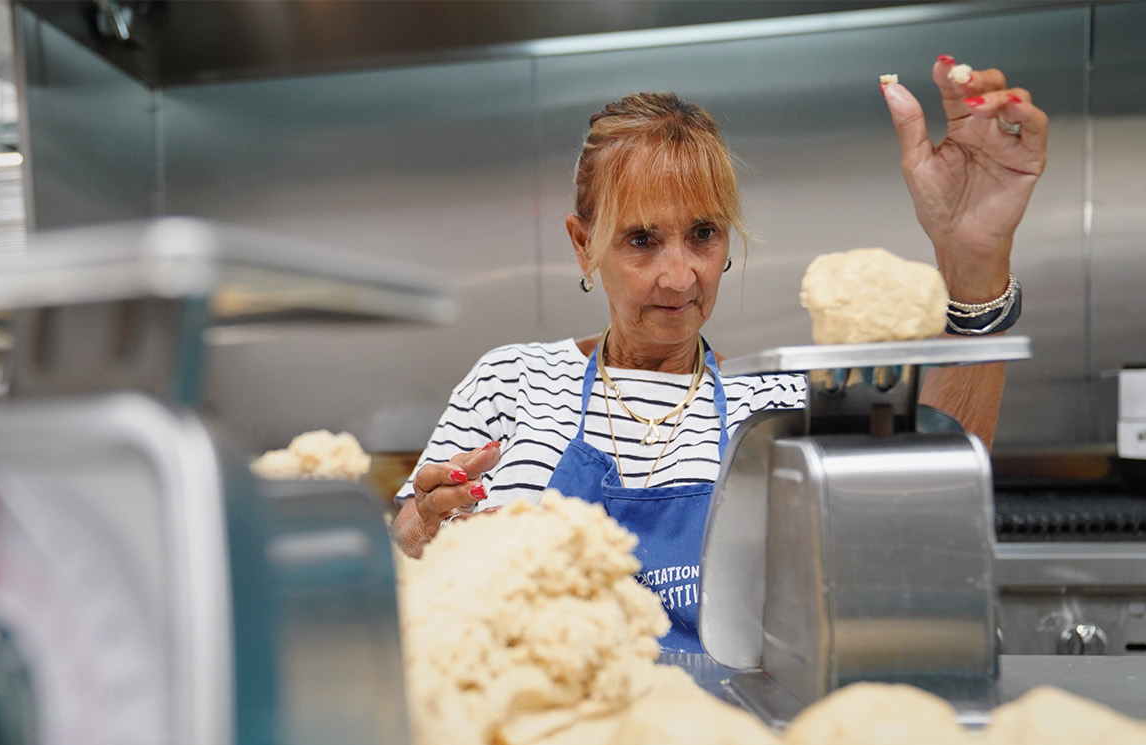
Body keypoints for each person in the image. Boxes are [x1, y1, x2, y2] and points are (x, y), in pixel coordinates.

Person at [392, 57, 1048, 652]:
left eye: (703, 234)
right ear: (581, 243)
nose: (679, 277)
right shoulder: (513, 382)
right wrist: (424, 526)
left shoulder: (778, 408)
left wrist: (973, 263)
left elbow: (926, 524)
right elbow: (408, 553)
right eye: (642, 240)